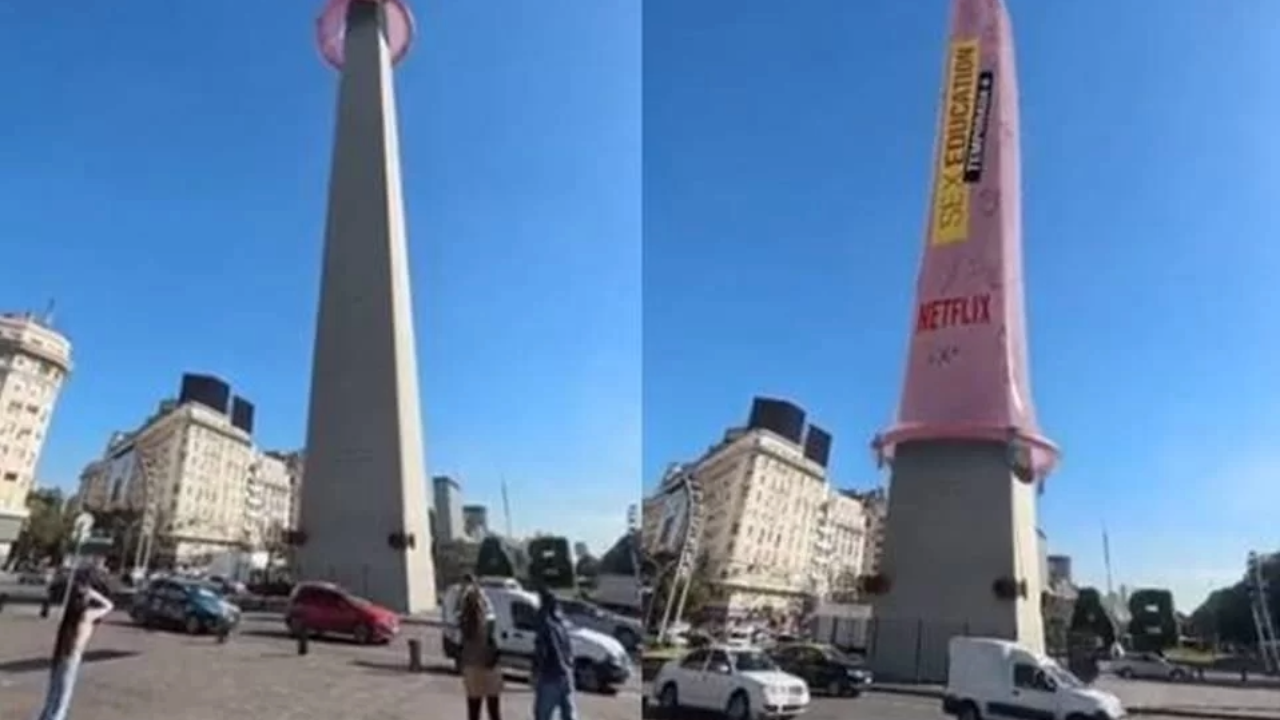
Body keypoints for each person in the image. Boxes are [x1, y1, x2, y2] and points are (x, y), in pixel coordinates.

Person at [33, 571, 114, 720]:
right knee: (63, 696)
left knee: (54, 692)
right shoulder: (87, 615)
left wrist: (86, 592)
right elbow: (109, 606)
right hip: (72, 657)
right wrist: (95, 594)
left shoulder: (73, 614)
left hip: (63, 654)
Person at [457, 575, 502, 720]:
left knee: (474, 712)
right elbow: (497, 639)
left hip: (471, 666)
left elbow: (458, 640)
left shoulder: (464, 622)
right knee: (494, 711)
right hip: (489, 666)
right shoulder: (488, 621)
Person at [532, 587, 577, 720]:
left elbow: (542, 649)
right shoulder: (560, 622)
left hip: (550, 675)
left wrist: (536, 671)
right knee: (568, 714)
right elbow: (568, 648)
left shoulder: (544, 621)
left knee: (543, 715)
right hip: (566, 674)